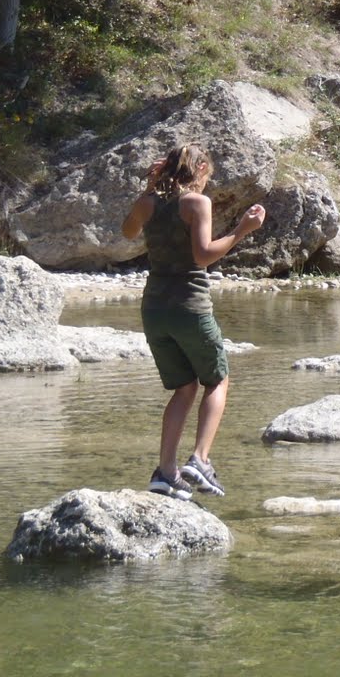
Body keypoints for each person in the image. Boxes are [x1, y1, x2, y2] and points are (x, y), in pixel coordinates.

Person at [122, 143, 265, 500]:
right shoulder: (197, 204)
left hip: (154, 310)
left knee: (183, 388)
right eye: (207, 174)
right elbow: (202, 256)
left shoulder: (148, 203)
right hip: (190, 306)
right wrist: (242, 230)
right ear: (199, 170)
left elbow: (127, 233)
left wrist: (149, 189)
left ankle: (165, 472)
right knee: (217, 380)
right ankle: (199, 460)